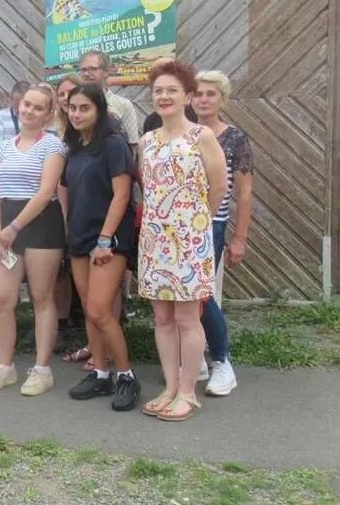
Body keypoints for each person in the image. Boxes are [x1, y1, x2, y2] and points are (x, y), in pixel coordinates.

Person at [138, 61, 227, 422]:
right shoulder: (147, 141)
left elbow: (218, 187)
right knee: (162, 317)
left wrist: (194, 224)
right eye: (158, 91)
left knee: (188, 318)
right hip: (154, 240)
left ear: (187, 96)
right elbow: (149, 189)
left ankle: (188, 392)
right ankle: (170, 387)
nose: (164, 96)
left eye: (172, 90)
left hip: (190, 240)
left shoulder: (201, 136)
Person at [0, 85, 66, 396]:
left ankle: (42, 370)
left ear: (48, 115)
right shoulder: (4, 147)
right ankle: (5, 366)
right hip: (6, 228)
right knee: (3, 300)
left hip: (40, 225)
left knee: (42, 298)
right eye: (27, 104)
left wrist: (14, 228)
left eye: (38, 107)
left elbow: (45, 192)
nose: (29, 110)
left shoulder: (53, 146)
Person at [62, 84, 140, 411]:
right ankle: (101, 374)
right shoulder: (74, 147)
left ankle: (127, 376)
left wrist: (105, 239)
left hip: (108, 239)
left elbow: (122, 195)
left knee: (99, 311)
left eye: (84, 108)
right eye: (72, 108)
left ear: (100, 110)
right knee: (88, 310)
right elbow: (68, 191)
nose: (77, 114)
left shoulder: (113, 144)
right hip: (80, 238)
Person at [192, 70, 252, 397]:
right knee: (184, 296)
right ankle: (195, 359)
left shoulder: (234, 139)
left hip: (212, 225)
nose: (203, 99)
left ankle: (222, 362)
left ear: (223, 99)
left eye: (210, 94)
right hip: (180, 227)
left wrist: (239, 238)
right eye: (198, 93)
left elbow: (243, 192)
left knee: (203, 294)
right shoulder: (185, 134)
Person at [77, 50, 142, 146]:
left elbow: (132, 145)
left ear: (106, 71)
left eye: (92, 69)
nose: (86, 73)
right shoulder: (73, 105)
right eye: (83, 69)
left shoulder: (124, 105)